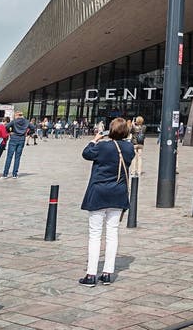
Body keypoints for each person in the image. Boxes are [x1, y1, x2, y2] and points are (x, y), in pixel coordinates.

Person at [79, 116, 135, 286]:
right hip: (118, 193)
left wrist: (94, 139)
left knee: (95, 234)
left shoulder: (102, 147)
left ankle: (90, 274)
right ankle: (108, 272)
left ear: (110, 130)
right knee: (112, 232)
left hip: (99, 192)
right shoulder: (129, 148)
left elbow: (86, 154)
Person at [2, 111, 34, 178]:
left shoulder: (14, 121)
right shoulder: (26, 121)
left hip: (13, 139)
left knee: (9, 157)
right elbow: (33, 128)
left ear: (17, 115)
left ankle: (5, 174)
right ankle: (14, 174)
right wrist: (27, 133)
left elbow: (6, 126)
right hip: (21, 139)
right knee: (17, 158)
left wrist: (10, 132)